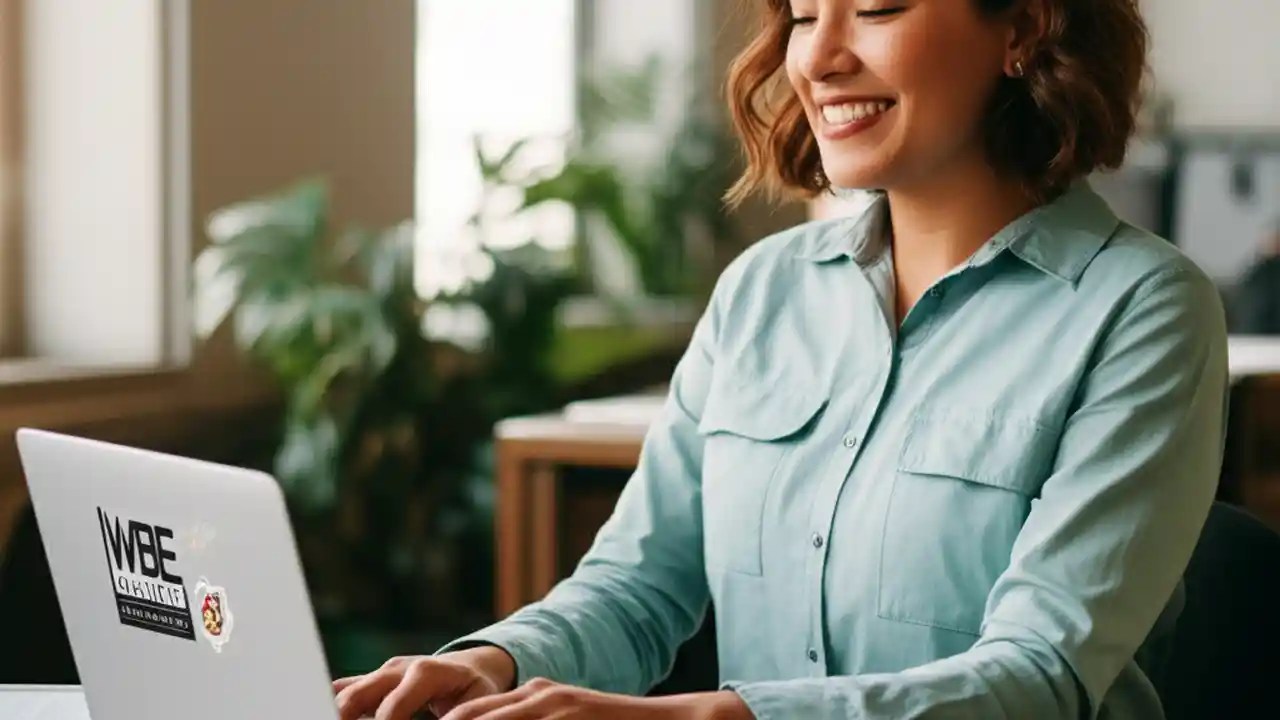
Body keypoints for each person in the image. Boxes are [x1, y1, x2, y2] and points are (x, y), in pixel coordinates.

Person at [334, 0, 1229, 718]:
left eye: (875, 8)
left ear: (1024, 31)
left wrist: (715, 717)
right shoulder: (762, 292)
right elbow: (637, 586)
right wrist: (495, 664)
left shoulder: (1143, 310)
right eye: (803, 14)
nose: (819, 56)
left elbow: (1038, 677)